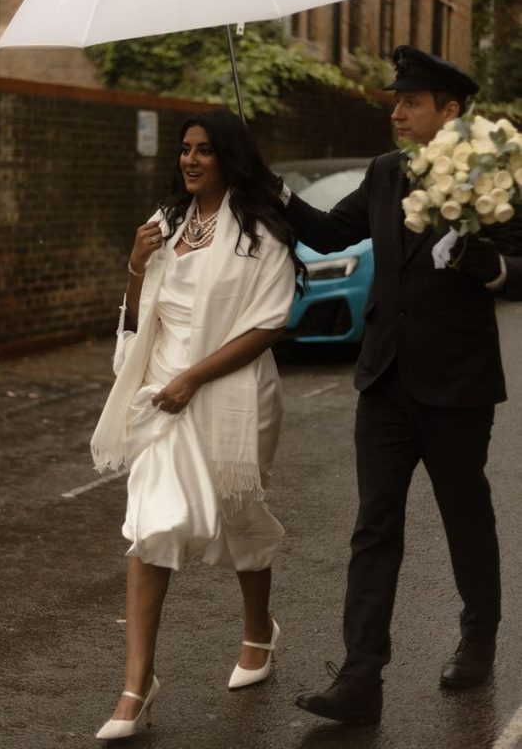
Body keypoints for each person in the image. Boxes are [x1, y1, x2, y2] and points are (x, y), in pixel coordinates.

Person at [286, 45, 522, 726]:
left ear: (450, 111)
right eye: (396, 101)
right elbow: (331, 232)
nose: (396, 112)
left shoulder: (496, 172)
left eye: (409, 103)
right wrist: (269, 189)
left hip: (457, 383)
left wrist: (493, 268)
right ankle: (361, 678)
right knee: (374, 526)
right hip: (384, 379)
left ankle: (479, 635)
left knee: (464, 515)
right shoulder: (386, 173)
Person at [91, 108, 301, 740]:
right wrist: (134, 263)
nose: (189, 160)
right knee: (153, 526)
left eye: (205, 150)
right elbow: (137, 318)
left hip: (228, 389)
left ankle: (259, 632)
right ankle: (136, 687)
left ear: (229, 157)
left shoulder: (261, 233)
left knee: (238, 516)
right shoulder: (163, 224)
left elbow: (270, 323)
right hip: (160, 393)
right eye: (185, 149)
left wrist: (194, 379)